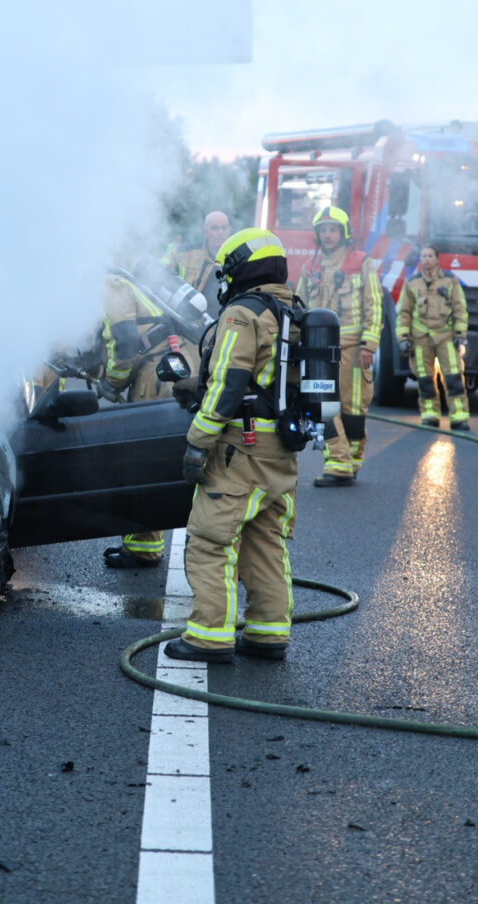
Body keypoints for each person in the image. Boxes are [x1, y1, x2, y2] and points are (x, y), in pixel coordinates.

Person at [166, 227, 301, 664]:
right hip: (279, 450)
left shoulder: (242, 314)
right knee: (265, 541)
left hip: (239, 450)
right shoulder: (293, 312)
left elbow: (228, 384)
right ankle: (268, 633)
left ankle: (208, 636)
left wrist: (196, 442)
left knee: (210, 540)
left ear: (241, 268)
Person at [98, 269, 191, 566]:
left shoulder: (109, 286)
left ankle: (143, 548)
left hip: (155, 375)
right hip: (175, 363)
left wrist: (110, 382)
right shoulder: (129, 281)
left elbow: (125, 343)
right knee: (166, 460)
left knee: (144, 461)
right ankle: (144, 543)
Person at [295, 205, 382, 487]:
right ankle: (339, 462)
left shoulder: (362, 262)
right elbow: (299, 306)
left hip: (355, 349)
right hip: (320, 351)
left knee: (354, 409)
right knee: (324, 406)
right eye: (323, 230)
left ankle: (352, 461)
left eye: (333, 229)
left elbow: (374, 305)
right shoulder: (311, 267)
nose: (328, 234)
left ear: (343, 233)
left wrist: (369, 344)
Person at [395, 244, 470, 430]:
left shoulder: (450, 281)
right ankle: (430, 416)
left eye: (430, 256)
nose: (427, 259)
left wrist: (460, 334)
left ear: (437, 259)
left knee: (453, 377)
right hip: (421, 338)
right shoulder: (412, 283)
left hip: (446, 336)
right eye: (424, 256)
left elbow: (460, 308)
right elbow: (404, 312)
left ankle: (459, 417)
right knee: (425, 379)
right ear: (420, 260)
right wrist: (403, 338)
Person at [169, 211, 232, 315]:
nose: (220, 232)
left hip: (221, 322)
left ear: (229, 230)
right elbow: (161, 274)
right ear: (205, 230)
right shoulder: (183, 253)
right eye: (214, 228)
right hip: (185, 318)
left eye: (224, 227)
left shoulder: (238, 260)